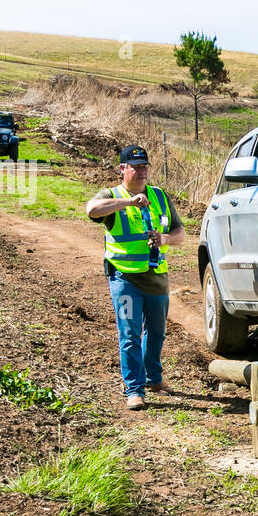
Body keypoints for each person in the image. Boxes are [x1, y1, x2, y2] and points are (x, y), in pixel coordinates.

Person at [85, 145, 186, 410]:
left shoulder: (160, 196)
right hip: (125, 279)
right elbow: (92, 210)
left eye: (145, 167)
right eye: (136, 167)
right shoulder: (112, 195)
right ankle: (134, 389)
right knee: (130, 334)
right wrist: (129, 201)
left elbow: (180, 234)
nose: (142, 172)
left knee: (157, 333)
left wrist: (165, 238)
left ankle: (154, 378)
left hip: (156, 277)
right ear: (123, 169)